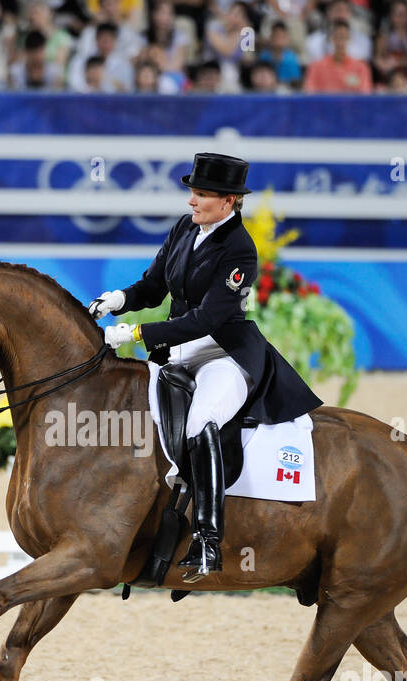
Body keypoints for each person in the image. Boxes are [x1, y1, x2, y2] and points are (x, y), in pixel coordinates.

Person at [89, 153, 323, 582]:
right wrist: (120, 299)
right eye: (192, 192)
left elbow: (208, 319)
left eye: (201, 195)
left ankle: (207, 539)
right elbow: (153, 285)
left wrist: (137, 335)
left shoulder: (240, 250)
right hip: (178, 349)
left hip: (223, 353)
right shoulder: (185, 228)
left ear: (229, 201)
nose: (192, 201)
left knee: (201, 422)